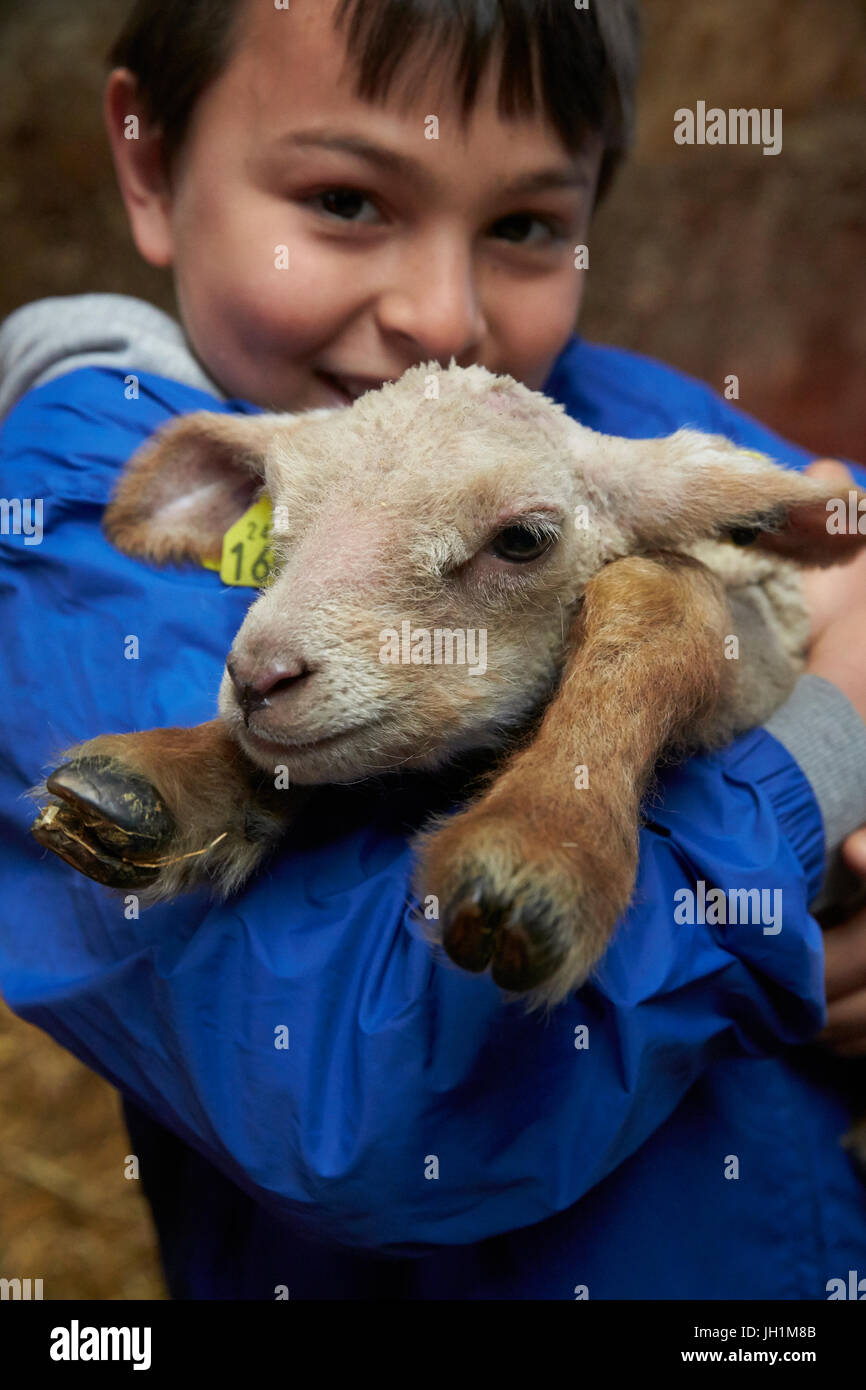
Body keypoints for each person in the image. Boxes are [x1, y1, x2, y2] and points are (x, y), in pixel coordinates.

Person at [1, 0, 865, 1300]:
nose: (442, 313)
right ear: (147, 159)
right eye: (346, 198)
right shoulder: (68, 524)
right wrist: (821, 751)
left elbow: (828, 535)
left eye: (522, 227)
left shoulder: (620, 422)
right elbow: (362, 1110)